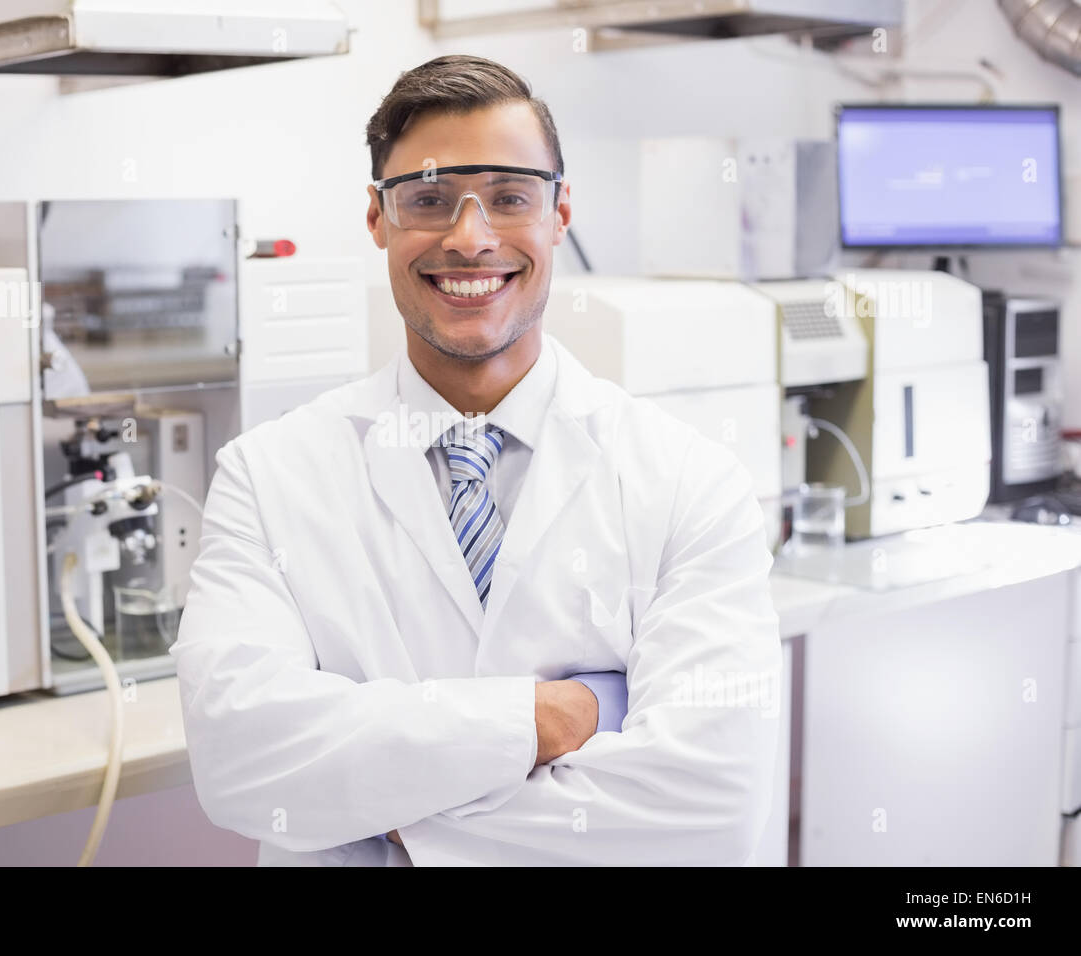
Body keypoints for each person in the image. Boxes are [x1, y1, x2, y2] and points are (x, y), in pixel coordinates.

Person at [171, 55, 782, 866]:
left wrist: (393, 812)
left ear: (560, 212)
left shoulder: (689, 483)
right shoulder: (269, 475)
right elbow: (244, 764)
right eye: (428, 199)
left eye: (509, 197)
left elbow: (710, 809)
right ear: (377, 218)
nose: (470, 237)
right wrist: (545, 719)